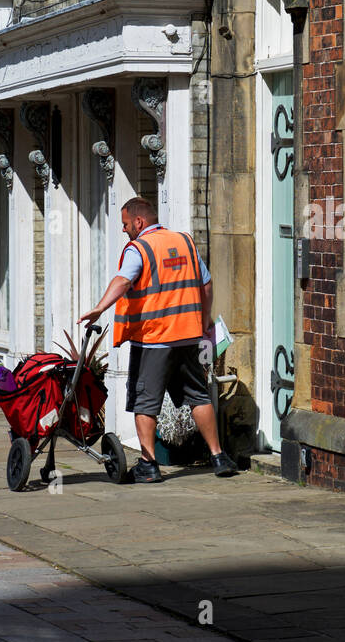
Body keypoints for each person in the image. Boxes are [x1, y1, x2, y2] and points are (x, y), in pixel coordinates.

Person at [79, 196, 236, 481]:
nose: (124, 230)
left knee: (144, 402)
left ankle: (149, 465)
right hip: (188, 337)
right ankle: (218, 457)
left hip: (154, 340)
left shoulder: (139, 248)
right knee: (198, 396)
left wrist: (100, 308)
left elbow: (123, 280)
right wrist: (204, 318)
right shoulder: (185, 241)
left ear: (139, 221)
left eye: (126, 224)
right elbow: (206, 282)